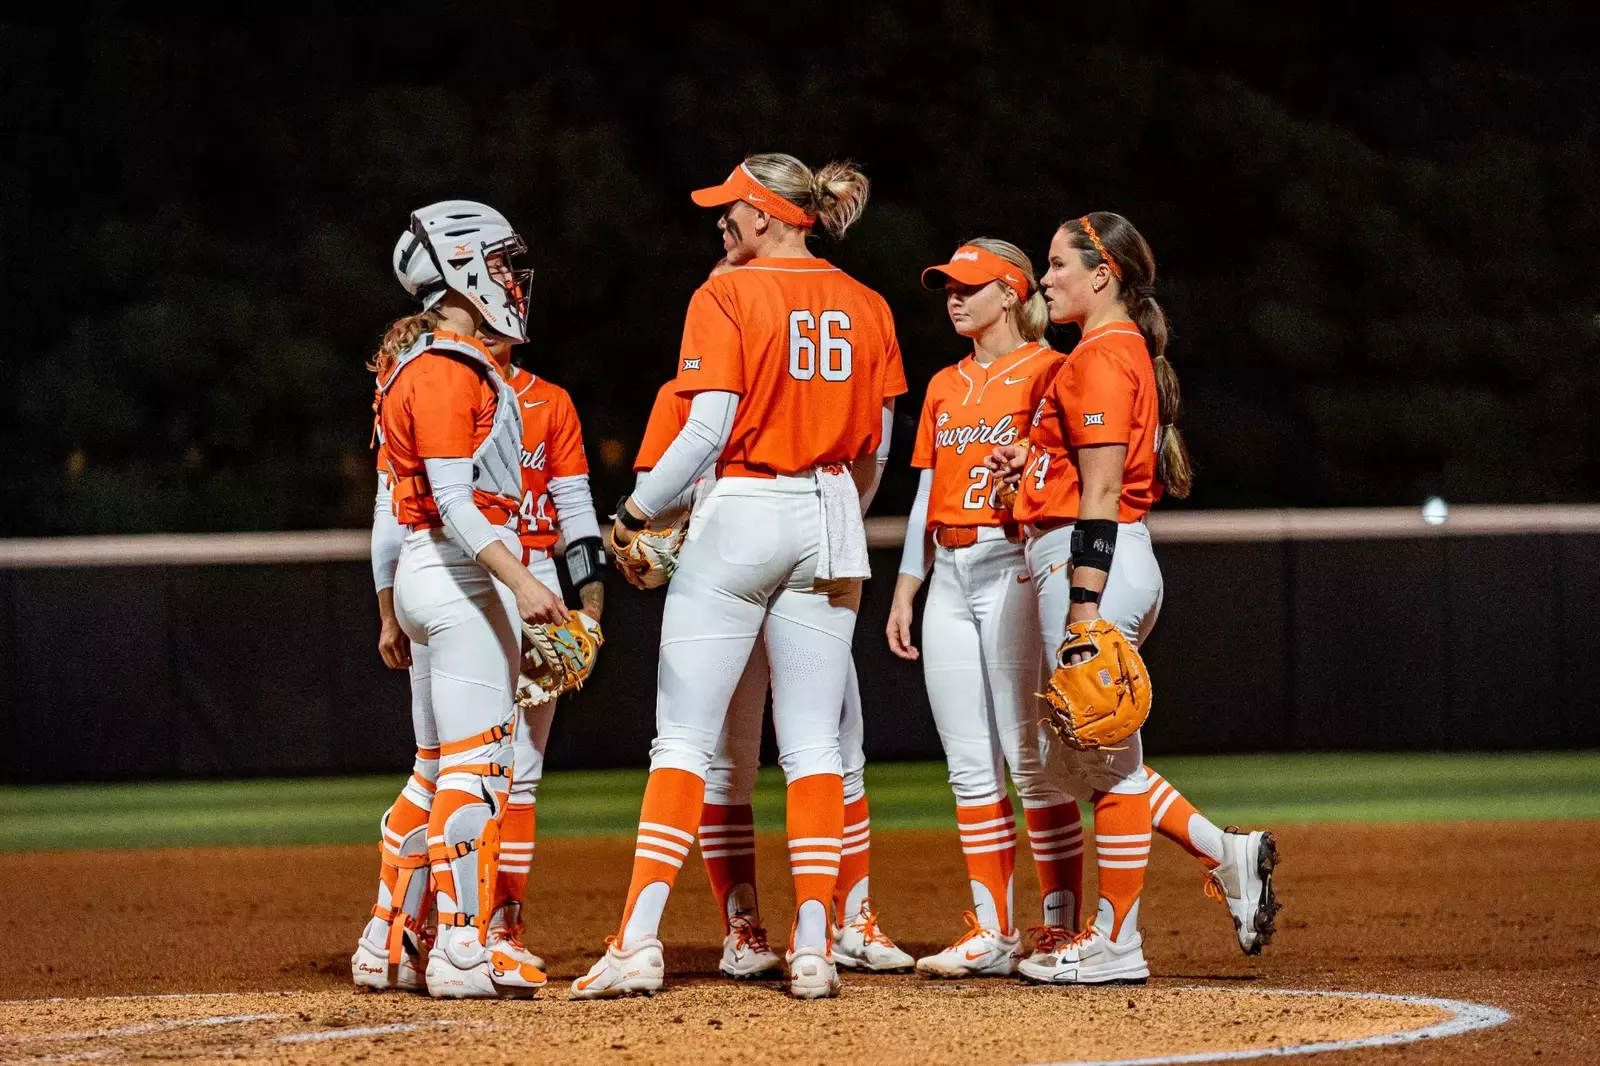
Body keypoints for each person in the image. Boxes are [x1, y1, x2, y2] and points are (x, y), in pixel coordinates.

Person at [573, 153, 903, 1000]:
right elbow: (876, 454)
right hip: (831, 510)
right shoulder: (869, 305)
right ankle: (819, 947)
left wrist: (638, 511)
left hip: (745, 504)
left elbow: (706, 428)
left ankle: (639, 941)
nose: (725, 224)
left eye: (733, 212)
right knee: (815, 749)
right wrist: (832, 509)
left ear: (764, 214)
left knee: (684, 740)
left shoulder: (726, 293)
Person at [985, 213, 1279, 985]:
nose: (1045, 279)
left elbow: (1106, 490)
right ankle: (1225, 852)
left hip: (1090, 566)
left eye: (1056, 264)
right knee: (1076, 758)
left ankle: (1117, 942)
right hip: (1102, 560)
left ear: (1102, 274)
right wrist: (1037, 458)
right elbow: (1089, 472)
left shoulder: (1104, 357)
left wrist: (1085, 606)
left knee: (1104, 763)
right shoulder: (1112, 353)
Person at [631, 374, 912, 981]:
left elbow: (870, 460)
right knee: (739, 764)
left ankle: (851, 918)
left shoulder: (794, 380)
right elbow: (657, 486)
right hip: (736, 572)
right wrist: (667, 537)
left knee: (842, 746)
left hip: (774, 558)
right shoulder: (678, 392)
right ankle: (745, 928)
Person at [356, 201, 569, 1000]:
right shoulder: (446, 368)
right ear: (465, 266)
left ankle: (384, 941)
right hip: (460, 572)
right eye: (503, 262)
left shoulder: (417, 365)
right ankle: (460, 951)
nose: (514, 279)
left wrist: (389, 609)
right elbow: (452, 496)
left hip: (427, 573)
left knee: (434, 769)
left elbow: (396, 506)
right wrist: (521, 582)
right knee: (480, 773)